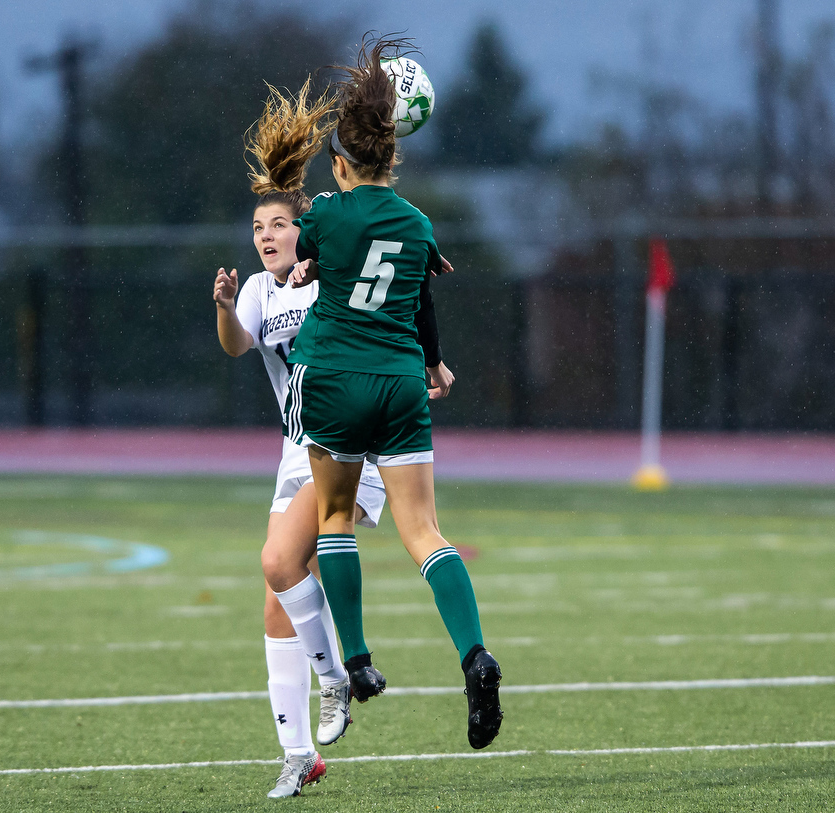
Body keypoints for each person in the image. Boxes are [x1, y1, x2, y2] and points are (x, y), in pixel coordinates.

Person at [214, 78, 455, 798]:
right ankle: (299, 753)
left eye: (280, 226)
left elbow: (385, 271)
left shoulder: (329, 275)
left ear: (307, 227)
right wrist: (226, 306)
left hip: (353, 437)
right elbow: (234, 347)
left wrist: (429, 352)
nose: (267, 237)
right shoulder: (260, 291)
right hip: (300, 449)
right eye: (259, 229)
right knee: (276, 587)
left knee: (280, 557)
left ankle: (340, 673)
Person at [283, 36, 504, 750]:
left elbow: (302, 249)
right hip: (400, 377)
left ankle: (357, 661)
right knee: (424, 531)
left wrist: (306, 262)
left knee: (337, 517)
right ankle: (474, 653)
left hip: (336, 375)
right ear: (394, 159)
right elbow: (419, 304)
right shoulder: (417, 225)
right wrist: (435, 366)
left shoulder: (325, 212)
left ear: (342, 164)